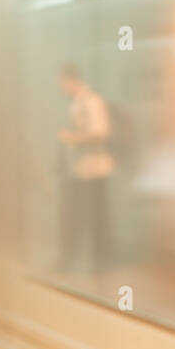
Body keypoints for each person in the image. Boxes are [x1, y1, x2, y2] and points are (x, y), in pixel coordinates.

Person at [57, 63, 115, 272]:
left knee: (95, 217)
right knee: (83, 215)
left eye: (63, 83)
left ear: (71, 80)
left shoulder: (92, 101)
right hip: (82, 169)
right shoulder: (77, 103)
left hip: (95, 170)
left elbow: (100, 133)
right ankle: (76, 258)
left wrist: (73, 138)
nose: (62, 88)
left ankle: (99, 262)